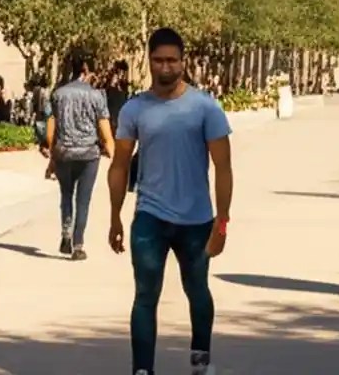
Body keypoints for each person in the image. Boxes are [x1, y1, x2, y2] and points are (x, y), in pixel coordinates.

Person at [109, 28, 232, 375]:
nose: (165, 67)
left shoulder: (205, 107)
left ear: (183, 62)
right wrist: (115, 217)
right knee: (145, 295)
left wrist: (222, 223)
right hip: (150, 217)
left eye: (172, 60)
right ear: (149, 61)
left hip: (196, 220)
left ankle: (200, 357)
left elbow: (223, 167)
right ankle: (142, 369)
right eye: (159, 60)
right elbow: (119, 165)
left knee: (197, 290)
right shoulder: (135, 109)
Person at [46, 55, 115, 261]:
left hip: (64, 152)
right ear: (86, 71)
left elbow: (51, 129)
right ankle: (78, 244)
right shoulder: (96, 96)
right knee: (83, 200)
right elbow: (105, 131)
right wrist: (115, 157)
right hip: (88, 154)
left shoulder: (58, 94)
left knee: (66, 195)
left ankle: (65, 234)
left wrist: (52, 157)